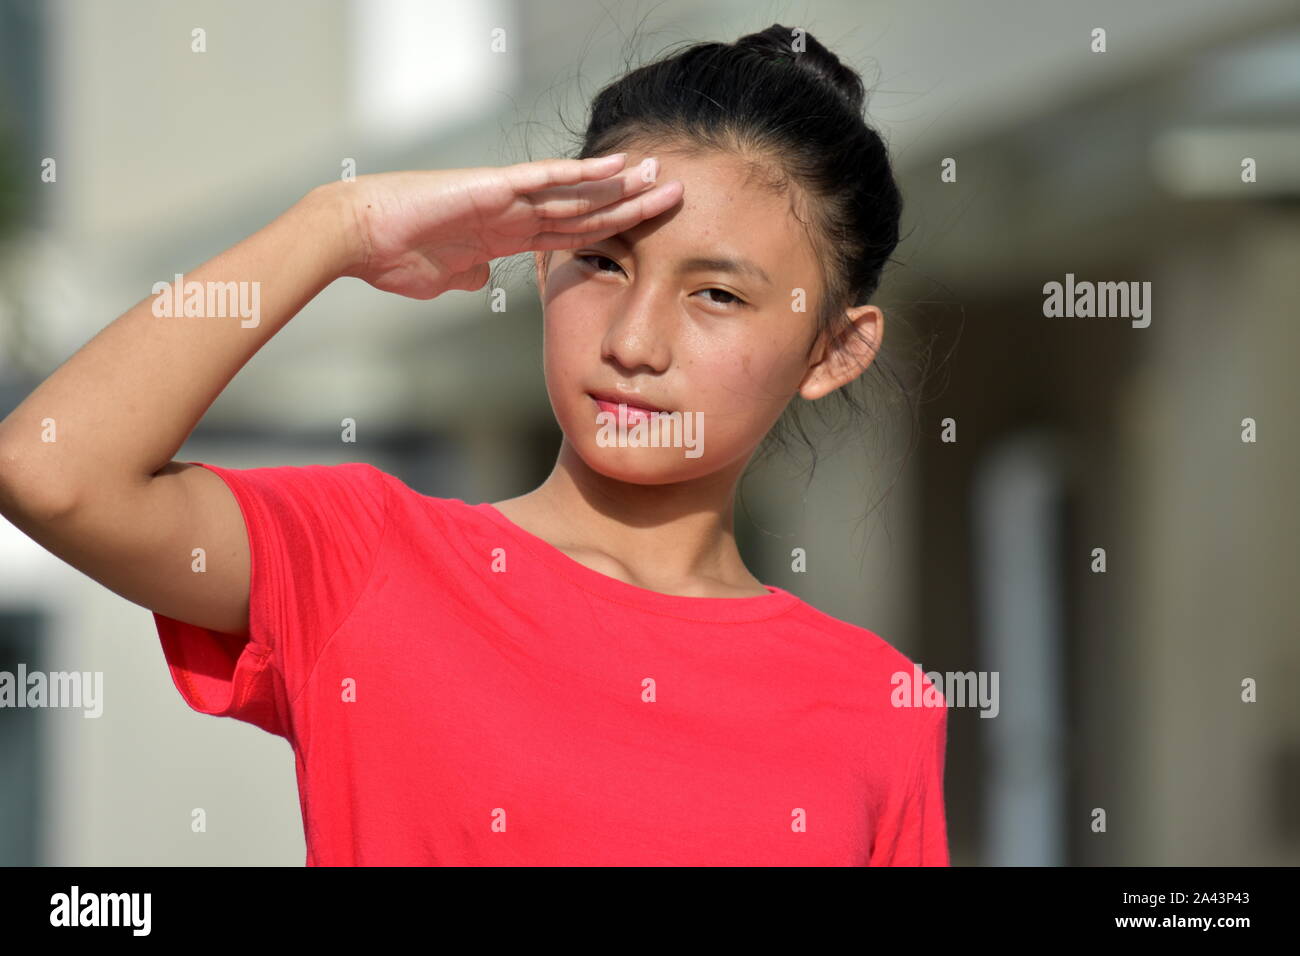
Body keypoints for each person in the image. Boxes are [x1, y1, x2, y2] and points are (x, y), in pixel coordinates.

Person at [0, 23, 949, 865]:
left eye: (717, 295)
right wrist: (340, 224)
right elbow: (48, 469)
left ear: (833, 350)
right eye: (603, 262)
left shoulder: (881, 704)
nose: (632, 342)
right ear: (541, 261)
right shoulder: (372, 559)